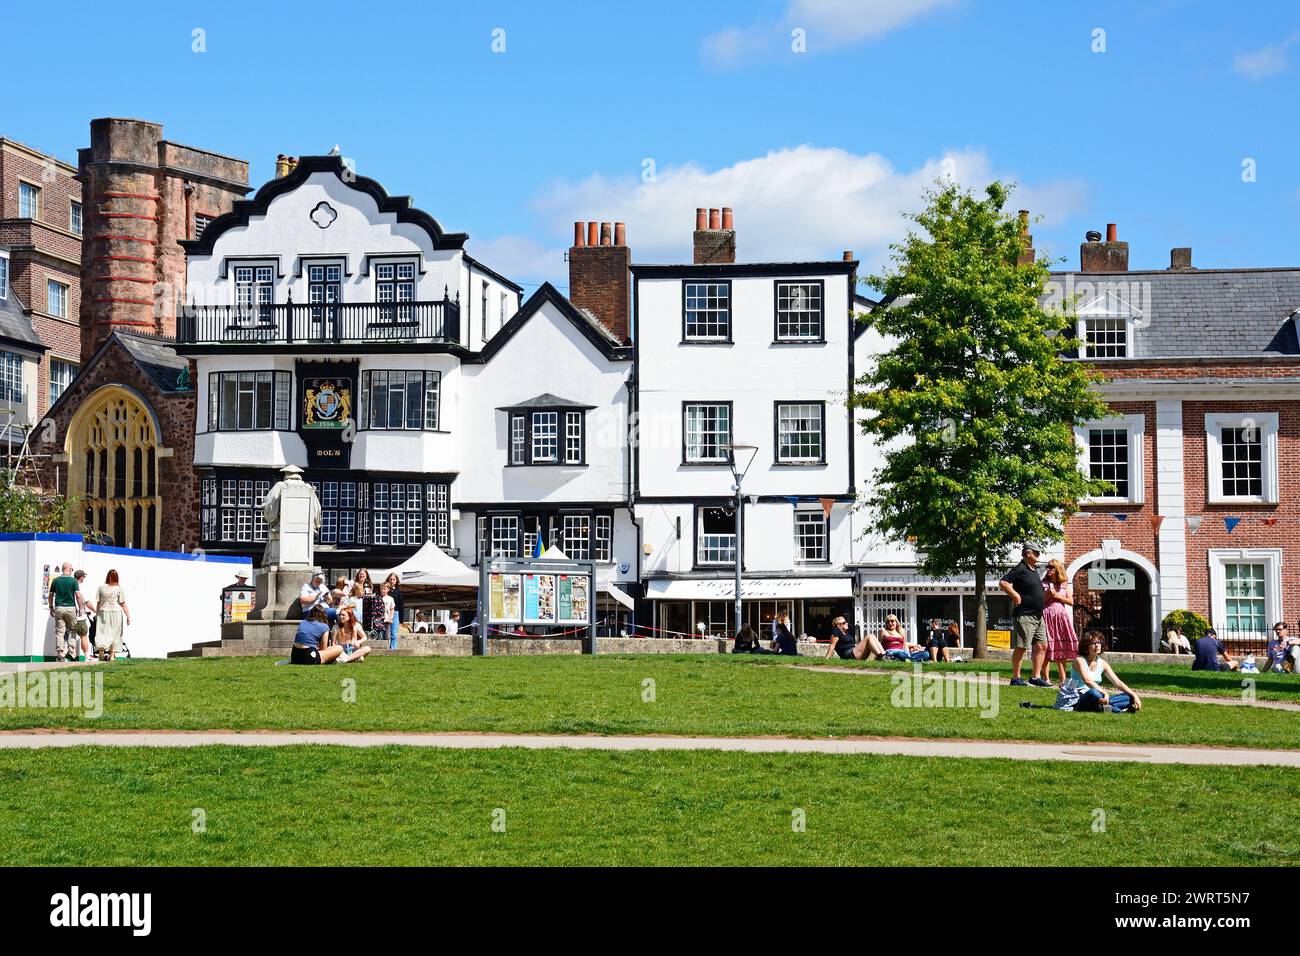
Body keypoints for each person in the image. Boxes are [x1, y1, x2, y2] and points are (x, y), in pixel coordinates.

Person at [999, 545, 1050, 687]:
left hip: (1038, 616)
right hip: (1025, 614)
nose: (1039, 556)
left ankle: (1035, 677)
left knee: (1042, 646)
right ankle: (1016, 678)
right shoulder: (1020, 568)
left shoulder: (1034, 570)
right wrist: (1015, 595)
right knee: (1022, 647)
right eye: (1037, 553)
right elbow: (1003, 582)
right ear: (1028, 553)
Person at [1068, 630, 1142, 713]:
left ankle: (1103, 707)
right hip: (1079, 697)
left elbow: (1117, 682)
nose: (1097, 646)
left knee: (1129, 697)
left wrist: (1134, 695)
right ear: (1086, 646)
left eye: (1099, 643)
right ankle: (1117, 710)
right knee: (1093, 693)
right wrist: (1105, 693)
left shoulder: (1102, 663)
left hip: (1099, 697)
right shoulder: (1079, 660)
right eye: (1093, 643)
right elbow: (1087, 680)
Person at [1042, 558, 1078, 685]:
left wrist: (1057, 596)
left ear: (1058, 569)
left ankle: (1063, 680)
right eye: (1048, 567)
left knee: (1061, 648)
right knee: (1046, 648)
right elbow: (1040, 601)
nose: (1049, 569)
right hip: (1047, 616)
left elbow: (1071, 601)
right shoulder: (1043, 583)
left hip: (1061, 618)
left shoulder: (1064, 584)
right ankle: (1045, 679)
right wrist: (1048, 594)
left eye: (1051, 567)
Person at [48, 562, 84, 663]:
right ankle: (72, 654)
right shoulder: (73, 581)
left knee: (60, 631)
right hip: (70, 608)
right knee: (72, 630)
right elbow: (78, 595)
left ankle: (60, 654)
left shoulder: (56, 581)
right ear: (69, 569)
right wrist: (81, 608)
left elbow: (51, 595)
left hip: (59, 608)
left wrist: (51, 607)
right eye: (72, 569)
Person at [94, 569, 130, 662]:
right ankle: (112, 655)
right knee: (115, 634)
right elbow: (122, 603)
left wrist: (97, 613)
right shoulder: (119, 588)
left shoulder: (101, 587)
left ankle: (101, 653)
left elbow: (98, 602)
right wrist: (128, 616)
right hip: (116, 612)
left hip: (103, 612)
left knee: (101, 632)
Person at [72, 570, 94, 664]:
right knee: (83, 636)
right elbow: (87, 602)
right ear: (81, 577)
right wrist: (94, 610)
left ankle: (69, 657)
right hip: (79, 617)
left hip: (70, 614)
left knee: (69, 636)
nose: (84, 578)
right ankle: (87, 657)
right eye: (84, 577)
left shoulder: (70, 586)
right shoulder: (81, 587)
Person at [384, 573, 404, 650]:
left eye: (393, 579)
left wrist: (401, 619)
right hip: (386, 613)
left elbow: (401, 606)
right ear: (388, 580)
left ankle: (393, 649)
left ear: (396, 581)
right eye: (390, 579)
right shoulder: (385, 591)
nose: (392, 581)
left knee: (393, 633)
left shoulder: (398, 592)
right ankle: (385, 648)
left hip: (395, 613)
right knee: (386, 632)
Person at [379, 581, 397, 650]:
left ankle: (387, 648)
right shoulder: (378, 598)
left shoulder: (390, 599)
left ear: (388, 589)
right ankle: (380, 648)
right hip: (379, 620)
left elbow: (392, 609)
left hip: (387, 619)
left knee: (387, 635)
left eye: (384, 589)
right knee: (380, 634)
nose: (382, 590)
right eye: (381, 589)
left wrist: (390, 618)